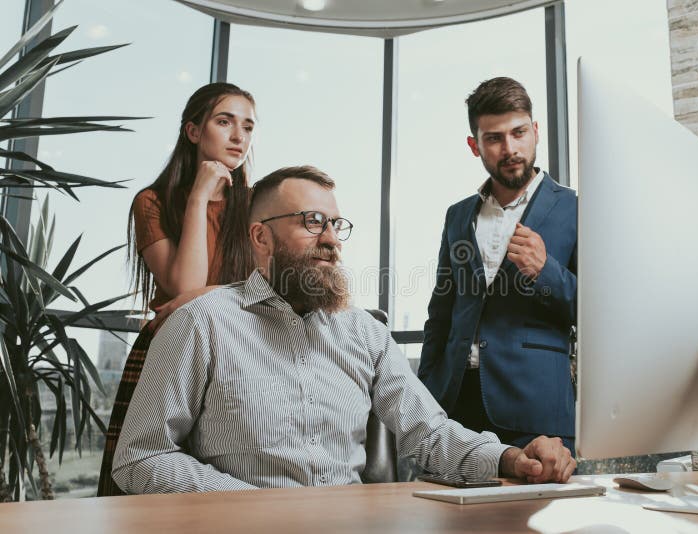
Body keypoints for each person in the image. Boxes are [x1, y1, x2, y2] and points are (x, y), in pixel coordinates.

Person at [111, 166, 576, 494]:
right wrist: (254, 508)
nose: (332, 239)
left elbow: (429, 433)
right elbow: (140, 458)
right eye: (312, 222)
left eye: (335, 224)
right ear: (260, 237)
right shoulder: (202, 322)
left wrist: (510, 458)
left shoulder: (364, 334)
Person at [97, 82, 257, 496]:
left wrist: (208, 296)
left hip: (240, 350)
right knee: (152, 480)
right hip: (171, 349)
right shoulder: (152, 202)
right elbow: (186, 287)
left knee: (228, 481)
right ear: (193, 131)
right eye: (225, 122)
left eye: (248, 126)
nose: (239, 136)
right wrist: (200, 196)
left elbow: (258, 292)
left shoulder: (257, 206)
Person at [417, 77, 577, 453]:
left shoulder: (575, 208)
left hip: (536, 411)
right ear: (474, 145)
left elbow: (600, 312)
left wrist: (546, 270)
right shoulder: (458, 216)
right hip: (454, 409)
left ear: (535, 131)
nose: (510, 149)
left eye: (519, 133)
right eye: (494, 138)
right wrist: (427, 391)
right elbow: (441, 313)